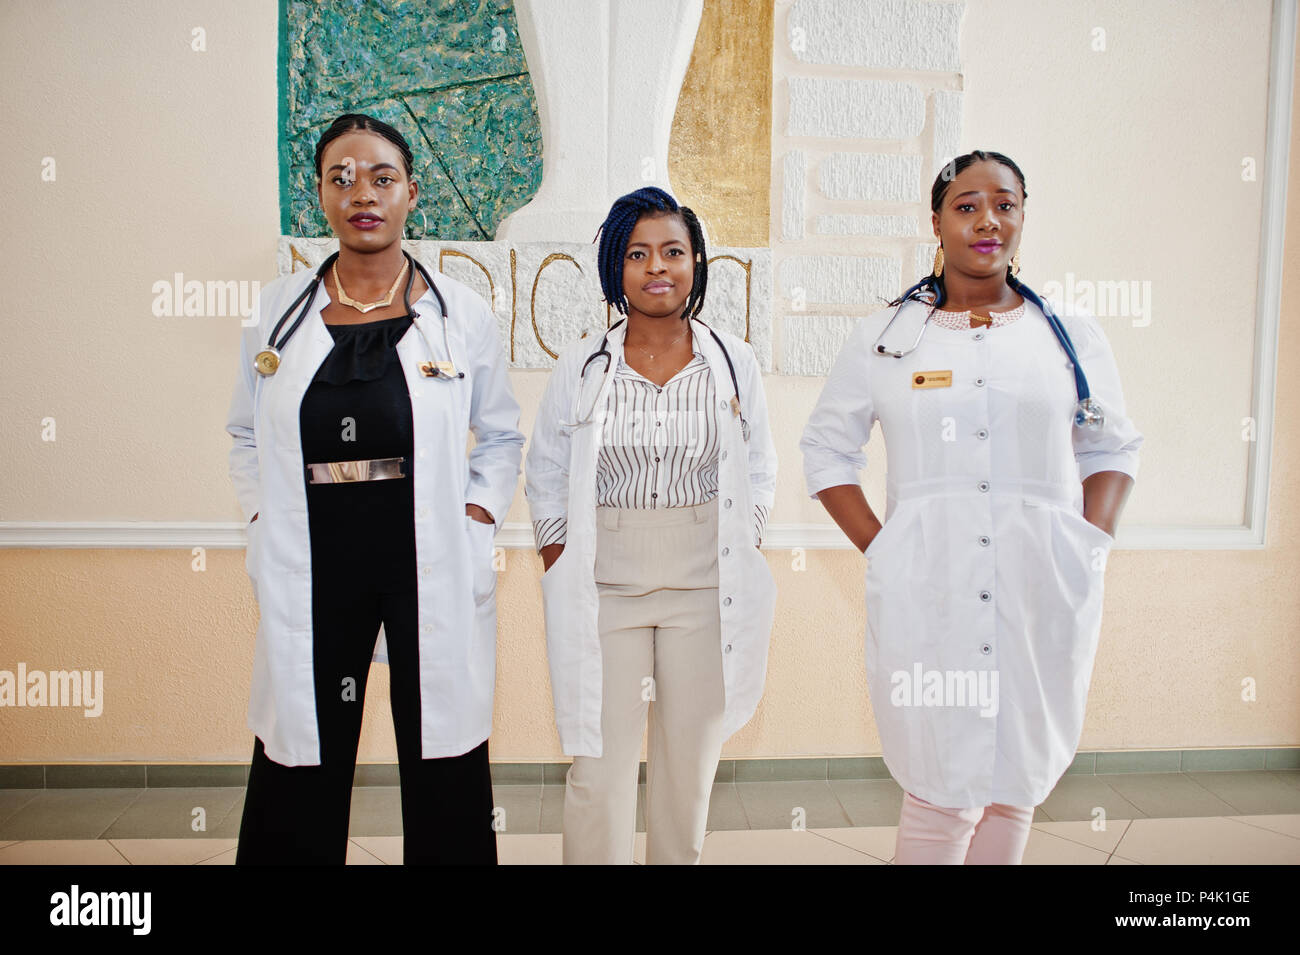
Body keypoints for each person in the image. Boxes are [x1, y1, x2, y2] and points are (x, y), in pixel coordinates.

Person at [800, 150, 1142, 864]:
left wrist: (1088, 543)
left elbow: (1110, 447)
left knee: (1016, 775)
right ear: (936, 221)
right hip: (931, 589)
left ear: (1022, 217)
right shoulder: (887, 337)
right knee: (939, 781)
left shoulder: (1070, 335)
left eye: (1006, 204)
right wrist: (884, 544)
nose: (988, 219)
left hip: (1040, 582)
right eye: (966, 205)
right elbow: (827, 451)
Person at [225, 113, 524, 864]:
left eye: (382, 177)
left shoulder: (463, 315)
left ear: (411, 193)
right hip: (313, 555)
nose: (364, 192)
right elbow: (244, 434)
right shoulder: (276, 312)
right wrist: (262, 519)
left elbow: (502, 435)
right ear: (322, 197)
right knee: (301, 747)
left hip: (426, 557)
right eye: (343, 177)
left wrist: (477, 518)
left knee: (444, 749)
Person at [526, 187, 777, 864]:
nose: (657, 266)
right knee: (596, 767)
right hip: (605, 581)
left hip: (704, 583)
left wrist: (741, 544)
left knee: (686, 771)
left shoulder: (733, 361)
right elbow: (546, 466)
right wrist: (558, 554)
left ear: (697, 260)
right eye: (638, 254)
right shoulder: (582, 365)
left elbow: (760, 467)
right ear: (617, 268)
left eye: (672, 250)